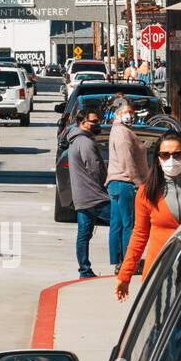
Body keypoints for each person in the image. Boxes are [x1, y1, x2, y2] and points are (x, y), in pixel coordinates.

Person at [115, 132, 181, 302]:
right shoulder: (147, 192)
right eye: (165, 155)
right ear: (158, 159)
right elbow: (139, 235)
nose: (171, 159)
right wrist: (125, 276)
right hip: (159, 269)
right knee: (159, 324)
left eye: (177, 154)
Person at [105, 96, 147, 274]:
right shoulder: (122, 133)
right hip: (125, 183)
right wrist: (139, 182)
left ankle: (119, 261)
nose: (131, 115)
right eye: (127, 112)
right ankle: (128, 262)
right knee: (129, 224)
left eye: (132, 112)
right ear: (117, 114)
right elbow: (127, 161)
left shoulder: (118, 130)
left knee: (117, 224)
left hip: (116, 183)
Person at [66, 107, 110, 278]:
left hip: (82, 197)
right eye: (94, 122)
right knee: (123, 224)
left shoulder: (75, 141)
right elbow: (95, 169)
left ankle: (84, 270)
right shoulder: (86, 142)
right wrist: (106, 183)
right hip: (96, 197)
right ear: (83, 123)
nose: (97, 124)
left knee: (83, 235)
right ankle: (122, 262)